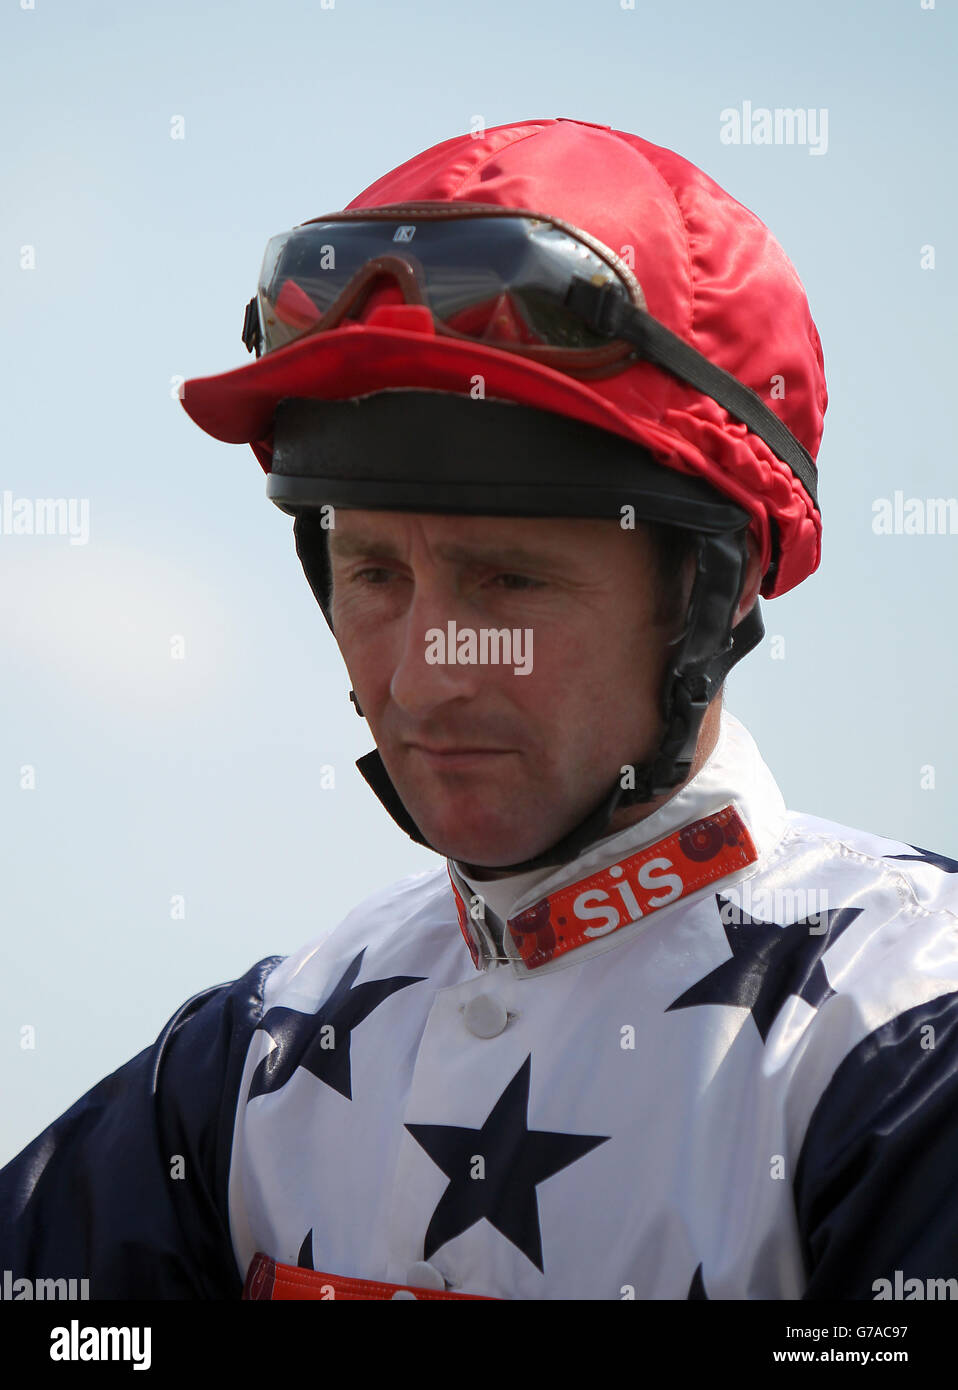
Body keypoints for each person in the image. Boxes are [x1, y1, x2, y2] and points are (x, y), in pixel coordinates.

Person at [3, 116, 958, 1302]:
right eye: (374, 575)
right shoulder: (249, 1056)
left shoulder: (911, 1030)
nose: (418, 675)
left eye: (508, 578)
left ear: (717, 594)